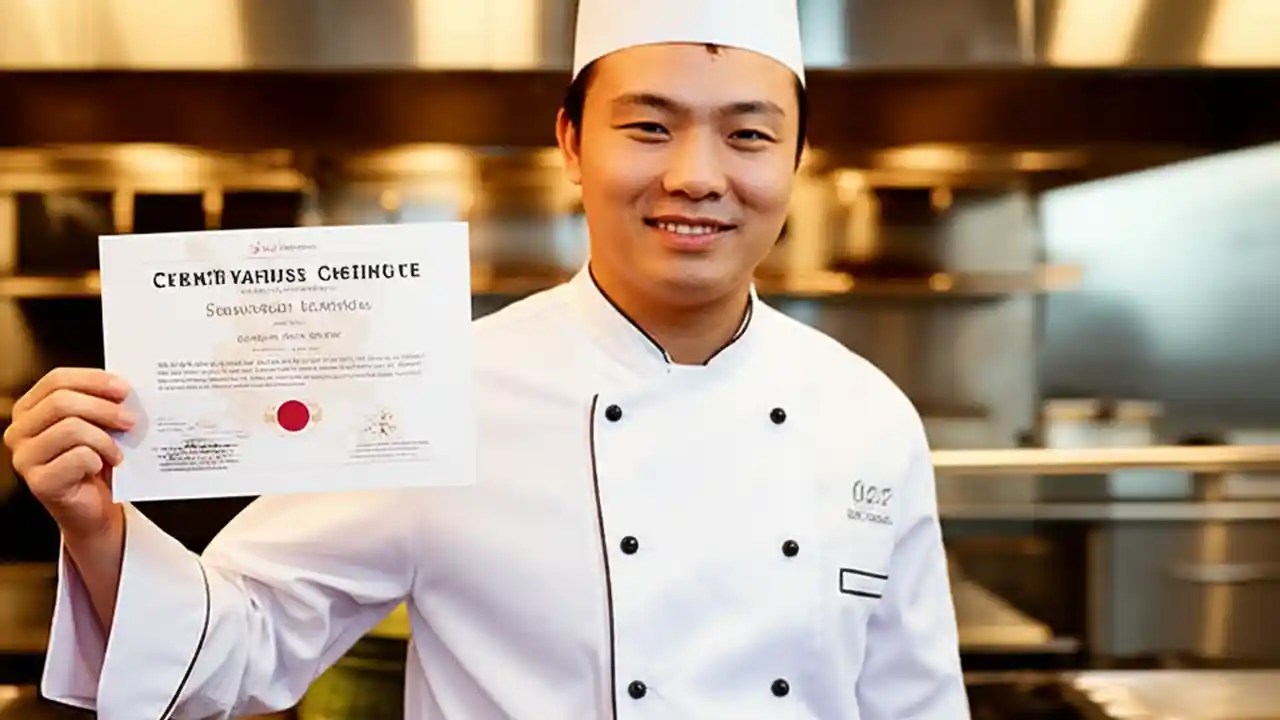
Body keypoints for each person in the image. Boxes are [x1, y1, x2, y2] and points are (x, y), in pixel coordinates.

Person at [3, 0, 970, 717]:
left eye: (749, 135)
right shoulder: (444, 390)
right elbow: (244, 648)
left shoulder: (867, 414)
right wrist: (95, 524)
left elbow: (916, 702)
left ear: (795, 161)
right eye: (648, 126)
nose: (697, 176)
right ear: (571, 145)